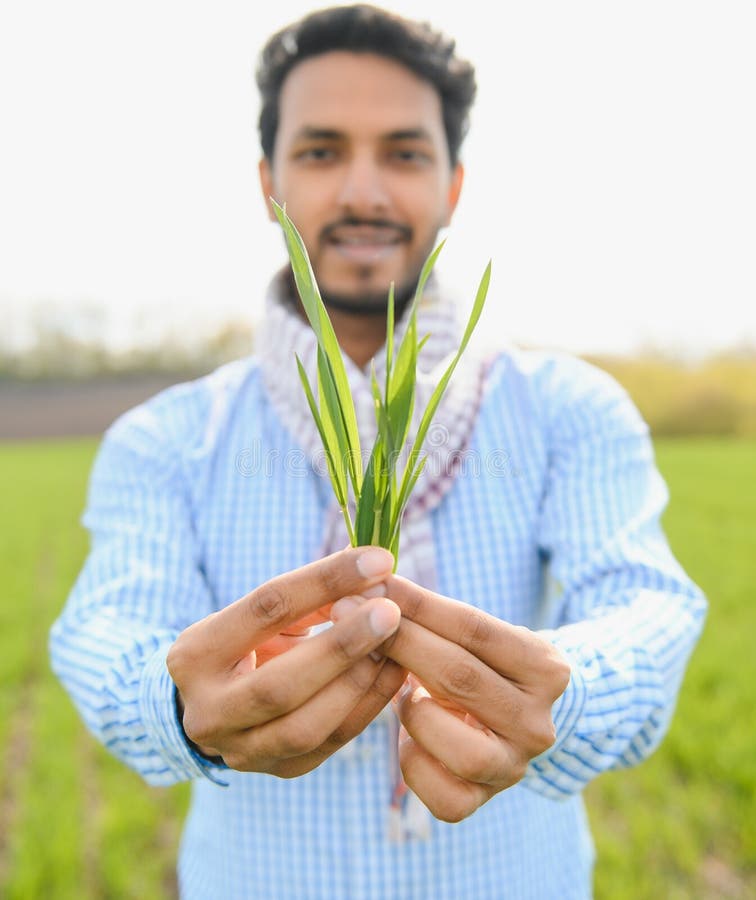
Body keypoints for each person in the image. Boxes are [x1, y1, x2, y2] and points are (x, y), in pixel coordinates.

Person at [49, 5, 707, 899]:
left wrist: (570, 688)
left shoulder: (567, 410)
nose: (363, 192)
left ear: (455, 184)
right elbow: (106, 626)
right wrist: (176, 703)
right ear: (267, 182)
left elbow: (645, 603)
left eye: (403, 152)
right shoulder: (169, 438)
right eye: (321, 151)